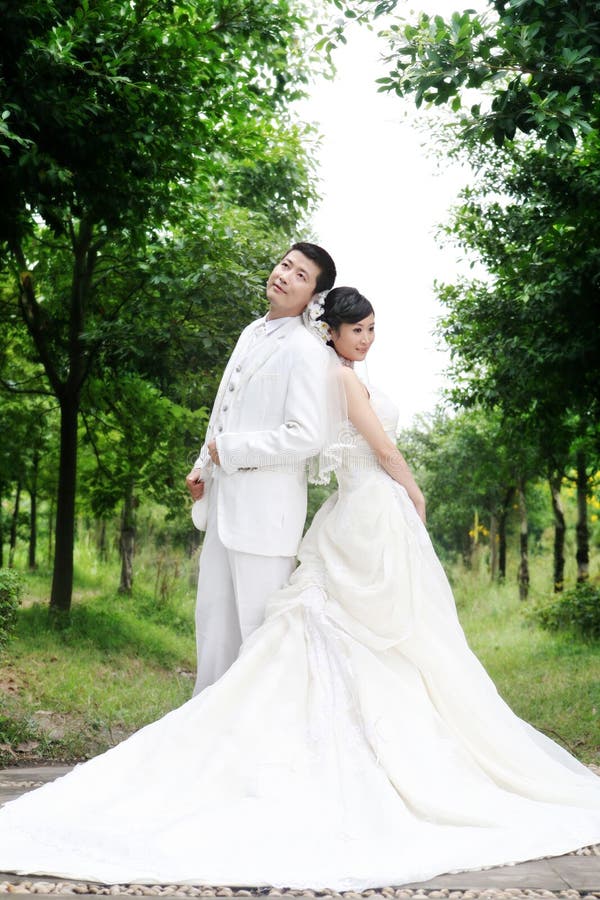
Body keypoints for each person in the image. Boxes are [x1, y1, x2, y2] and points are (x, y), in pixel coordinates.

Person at [0, 287, 599, 890]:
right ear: (331, 331)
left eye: (372, 329)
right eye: (356, 329)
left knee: (397, 635)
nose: (365, 339)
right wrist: (415, 491)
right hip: (367, 508)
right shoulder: (338, 379)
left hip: (362, 515)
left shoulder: (337, 372)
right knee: (351, 626)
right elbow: (383, 447)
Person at [185, 242, 336, 695]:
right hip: (223, 504)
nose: (286, 275)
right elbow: (223, 406)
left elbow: (307, 435)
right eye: (285, 265)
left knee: (257, 632)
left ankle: (259, 737)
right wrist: (203, 467)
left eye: (301, 275)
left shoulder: (307, 350)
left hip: (267, 515)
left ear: (313, 297)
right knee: (212, 623)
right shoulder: (251, 331)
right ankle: (205, 724)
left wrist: (229, 451)